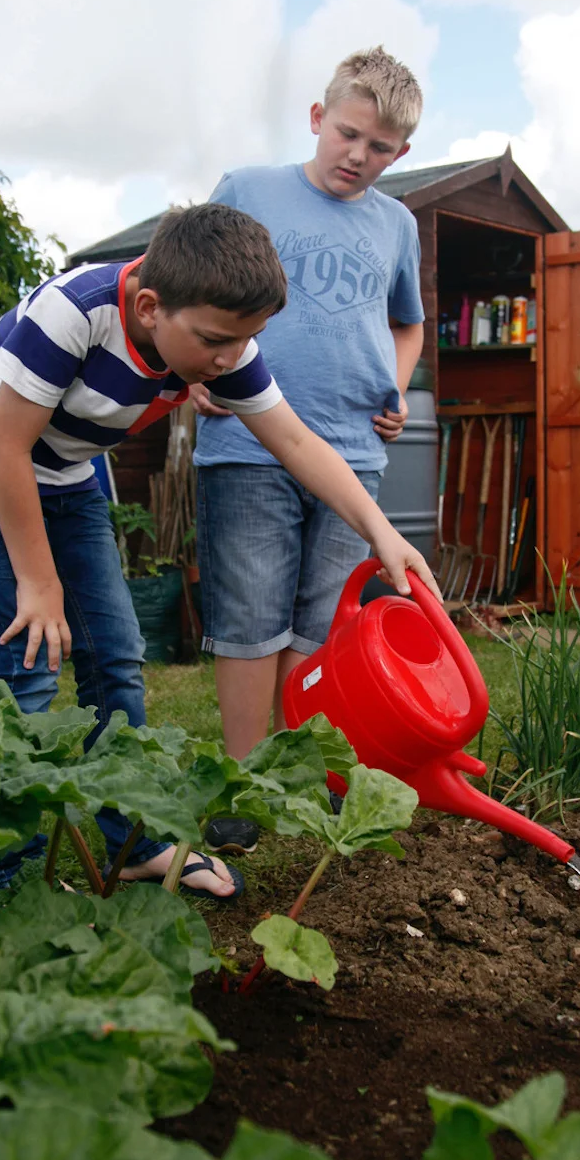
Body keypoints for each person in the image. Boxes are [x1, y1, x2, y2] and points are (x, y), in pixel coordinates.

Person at [0, 202, 437, 898]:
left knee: (117, 656)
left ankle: (135, 844)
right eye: (216, 341)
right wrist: (39, 585)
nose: (229, 358)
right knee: (27, 667)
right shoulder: (73, 314)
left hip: (64, 471)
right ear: (150, 307)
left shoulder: (222, 342)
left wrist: (382, 532)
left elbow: (295, 442)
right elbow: (4, 446)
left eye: (246, 340)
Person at [192, 46, 425, 780]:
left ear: (401, 152)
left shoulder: (397, 226)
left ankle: (294, 774)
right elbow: (188, 287)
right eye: (347, 133)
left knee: (322, 624)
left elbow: (408, 324)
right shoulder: (248, 189)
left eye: (379, 147)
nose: (357, 155)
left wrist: (396, 387)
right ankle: (241, 780)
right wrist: (189, 372)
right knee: (250, 617)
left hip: (354, 450)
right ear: (318, 117)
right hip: (247, 442)